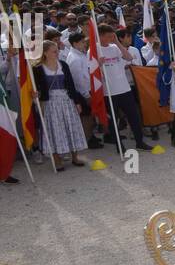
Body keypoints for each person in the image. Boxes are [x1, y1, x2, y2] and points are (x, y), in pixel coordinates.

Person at [33, 39, 88, 170]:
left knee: (71, 127)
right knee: (54, 130)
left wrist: (76, 102)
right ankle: (57, 159)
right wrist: (35, 94)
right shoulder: (38, 69)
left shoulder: (63, 64)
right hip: (50, 103)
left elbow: (71, 85)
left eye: (57, 50)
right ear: (45, 53)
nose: (57, 53)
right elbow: (36, 88)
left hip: (66, 100)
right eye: (54, 51)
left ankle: (75, 156)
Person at [96, 23, 147, 153]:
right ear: (100, 36)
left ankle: (140, 142)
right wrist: (98, 63)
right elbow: (91, 70)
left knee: (134, 116)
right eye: (107, 36)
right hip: (109, 91)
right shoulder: (94, 49)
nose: (110, 39)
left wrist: (117, 43)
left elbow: (128, 57)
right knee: (114, 120)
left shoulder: (114, 47)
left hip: (124, 88)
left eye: (112, 36)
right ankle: (120, 146)